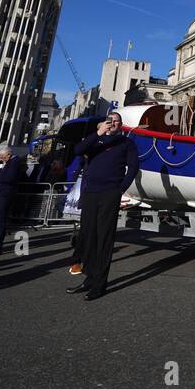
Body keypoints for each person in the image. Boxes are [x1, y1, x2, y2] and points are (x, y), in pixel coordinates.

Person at [67, 112, 138, 301]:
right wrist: (97, 134)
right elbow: (77, 150)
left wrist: (120, 188)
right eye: (110, 121)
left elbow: (133, 167)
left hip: (109, 193)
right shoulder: (95, 141)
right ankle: (89, 278)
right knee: (88, 235)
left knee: (104, 237)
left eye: (116, 121)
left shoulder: (126, 143)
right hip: (90, 192)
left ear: (121, 125)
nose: (113, 123)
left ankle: (100, 283)